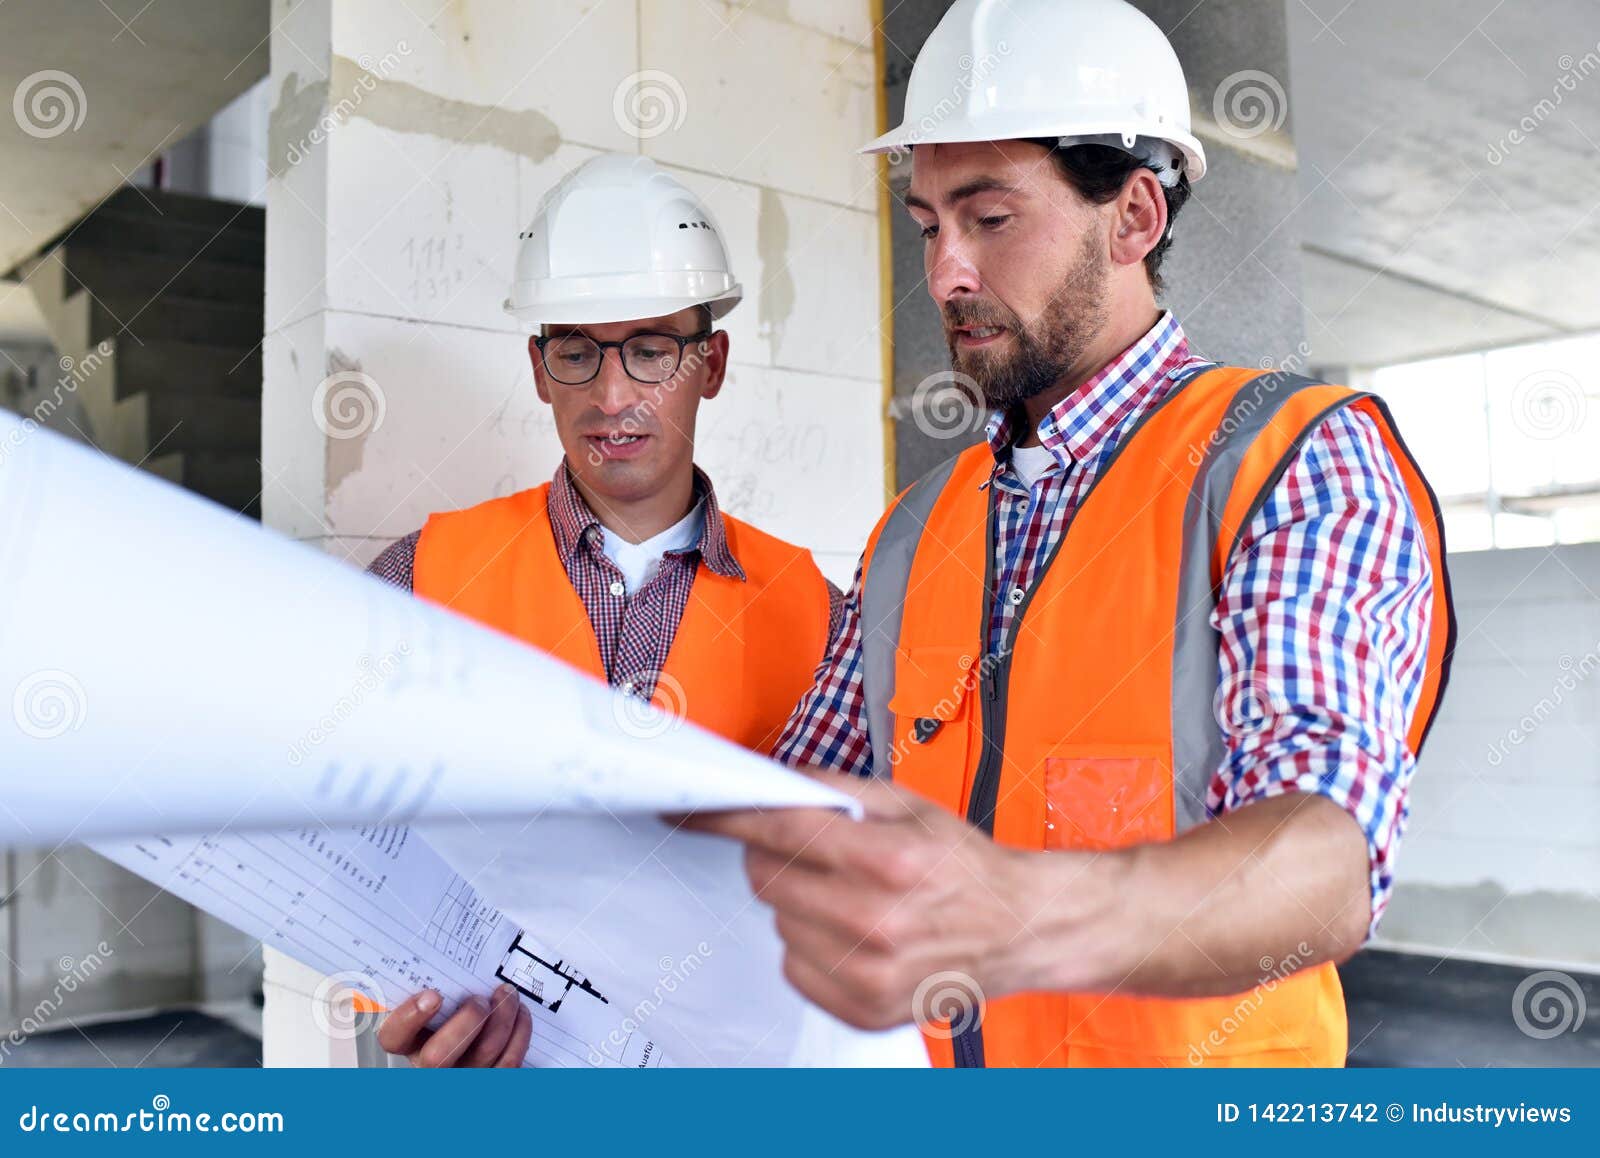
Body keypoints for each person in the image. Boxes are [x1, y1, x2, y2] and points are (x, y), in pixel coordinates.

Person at [692, 0, 1455, 1068]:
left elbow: (1324, 859)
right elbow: (791, 832)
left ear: (1134, 218)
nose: (946, 272)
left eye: (989, 217)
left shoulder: (1289, 460)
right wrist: (538, 990)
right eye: (926, 227)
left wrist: (1014, 911)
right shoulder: (915, 530)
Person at [368, 153, 842, 1067]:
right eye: (578, 350)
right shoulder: (421, 577)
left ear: (712, 363)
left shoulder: (821, 617)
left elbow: (836, 893)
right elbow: (353, 847)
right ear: (541, 369)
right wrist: (407, 1030)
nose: (612, 395)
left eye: (653, 347)